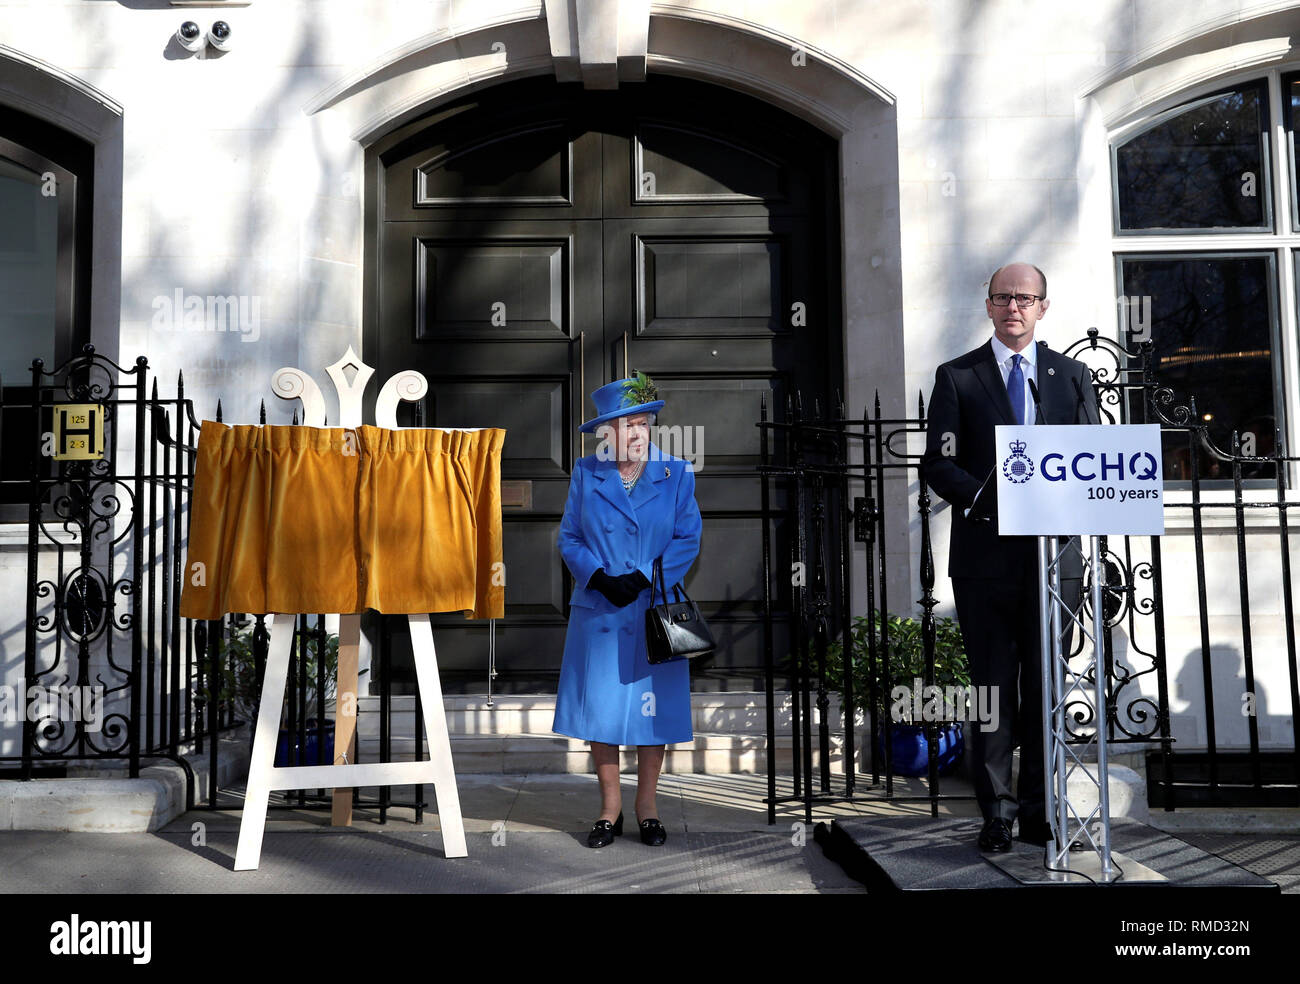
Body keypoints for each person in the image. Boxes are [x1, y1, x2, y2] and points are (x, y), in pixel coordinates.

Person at [921, 262, 1099, 853]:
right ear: (989, 305)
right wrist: (986, 497)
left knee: (1046, 690)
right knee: (994, 691)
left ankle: (1037, 811)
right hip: (986, 561)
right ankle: (995, 813)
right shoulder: (958, 376)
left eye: (1025, 298)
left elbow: (1091, 460)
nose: (1014, 307)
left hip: (1055, 565)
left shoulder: (1072, 377)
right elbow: (939, 464)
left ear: (1044, 307)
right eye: (1003, 297)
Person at [552, 373, 703, 849]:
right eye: (626, 425)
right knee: (601, 712)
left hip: (652, 610)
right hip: (599, 609)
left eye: (643, 423)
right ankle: (609, 809)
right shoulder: (586, 472)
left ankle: (648, 807)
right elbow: (569, 538)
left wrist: (640, 576)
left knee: (650, 712)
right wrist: (598, 576)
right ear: (607, 433)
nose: (637, 433)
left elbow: (687, 538)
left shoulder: (676, 473)